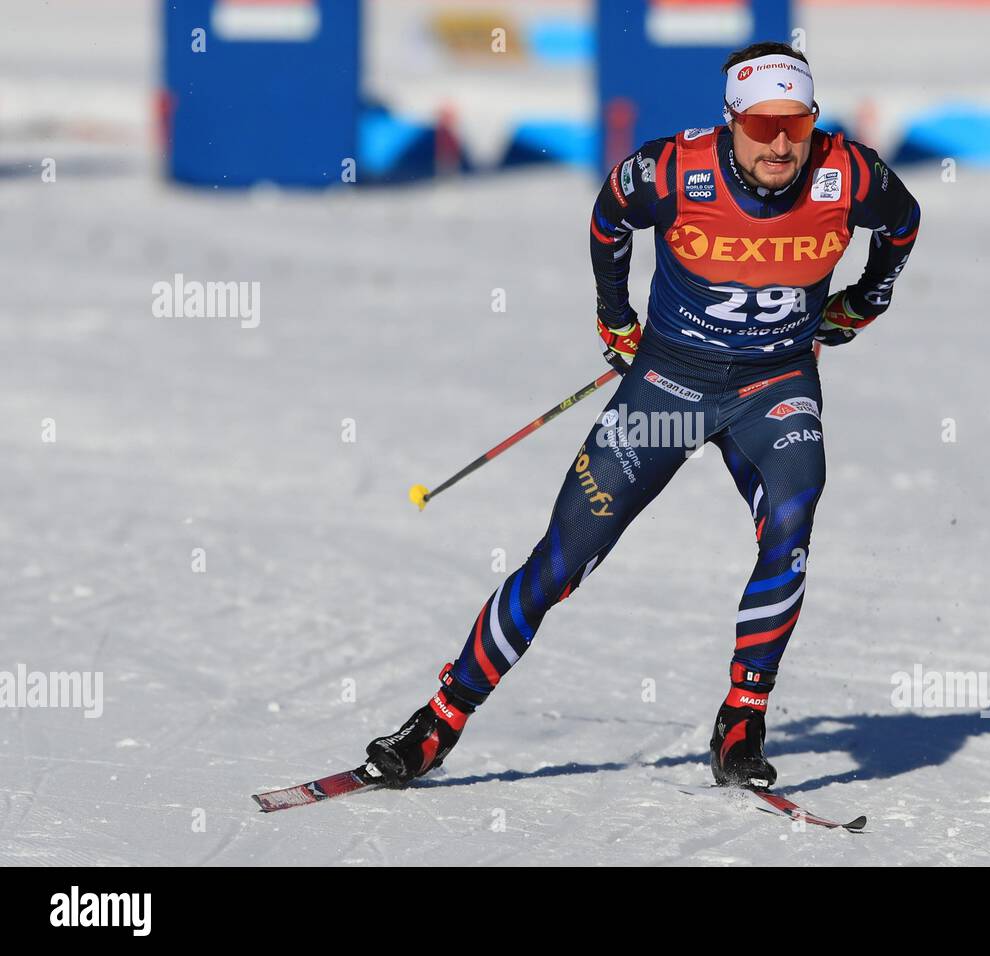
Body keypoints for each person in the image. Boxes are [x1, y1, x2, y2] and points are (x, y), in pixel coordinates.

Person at [364, 41, 920, 790]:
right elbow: (608, 220)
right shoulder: (671, 170)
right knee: (561, 561)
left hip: (773, 387)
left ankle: (742, 719)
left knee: (791, 521)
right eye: (761, 127)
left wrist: (865, 301)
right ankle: (440, 718)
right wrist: (613, 316)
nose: (781, 143)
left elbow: (903, 223)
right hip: (667, 389)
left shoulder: (846, 172)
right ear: (730, 123)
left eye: (796, 122)